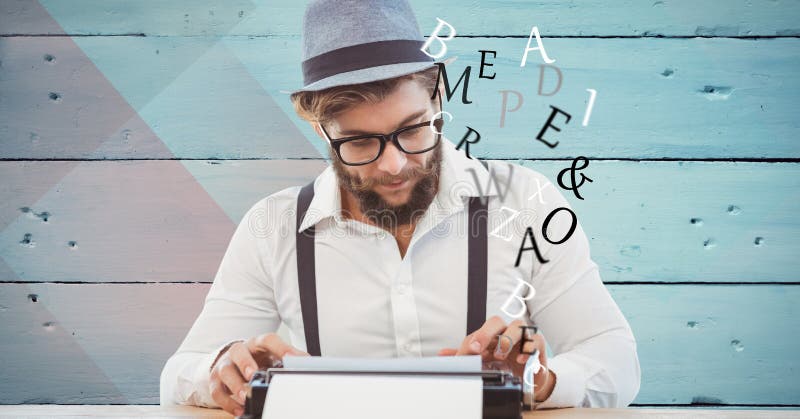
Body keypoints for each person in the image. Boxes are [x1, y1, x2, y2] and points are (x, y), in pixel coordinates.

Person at [160, 0, 641, 416]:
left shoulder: (526, 203)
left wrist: (540, 381)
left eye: (412, 129)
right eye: (359, 142)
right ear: (321, 131)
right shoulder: (273, 228)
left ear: (438, 96)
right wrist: (221, 369)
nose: (393, 165)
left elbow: (616, 361)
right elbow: (178, 376)